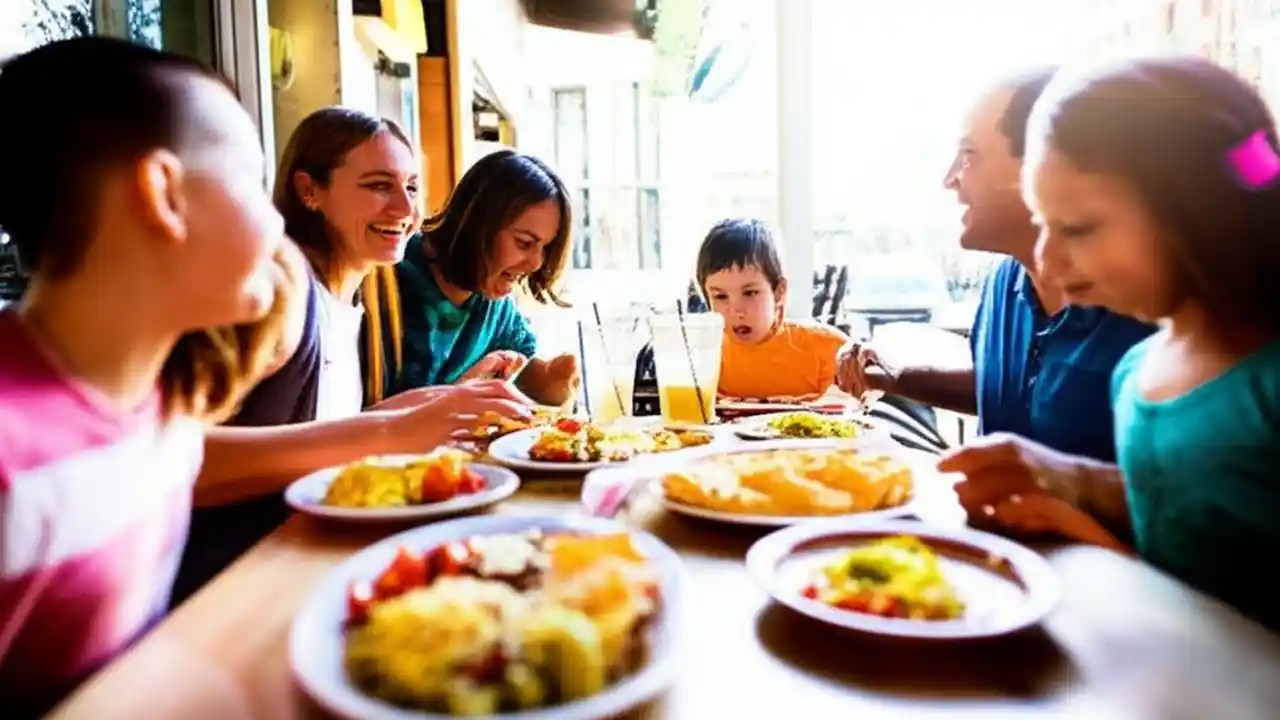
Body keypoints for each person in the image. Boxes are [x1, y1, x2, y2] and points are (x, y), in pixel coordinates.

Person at [0, 38, 291, 712]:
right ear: (163, 193)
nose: (277, 224)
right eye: (254, 181)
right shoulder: (13, 460)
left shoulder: (171, 402)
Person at [940, 57, 1280, 630]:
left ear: (1191, 206)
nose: (1046, 259)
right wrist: (1075, 486)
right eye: (1042, 224)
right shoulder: (1138, 369)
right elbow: (1196, 515)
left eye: (1077, 229)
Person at [172, 109, 533, 603]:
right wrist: (391, 432)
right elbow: (172, 461)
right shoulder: (281, 289)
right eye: (378, 185)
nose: (404, 208)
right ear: (309, 191)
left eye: (410, 187)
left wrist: (435, 404)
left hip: (302, 567)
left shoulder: (358, 298)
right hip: (227, 589)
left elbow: (325, 429)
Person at [837, 67, 1153, 462]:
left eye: (969, 155)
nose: (949, 179)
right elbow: (1013, 392)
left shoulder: (1145, 301)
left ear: (1041, 166)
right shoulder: (1003, 283)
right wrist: (881, 374)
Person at [365, 150, 580, 407]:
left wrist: (554, 379)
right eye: (524, 243)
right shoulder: (384, 280)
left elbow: (526, 371)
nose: (536, 263)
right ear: (478, 224)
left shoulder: (494, 301)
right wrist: (460, 393)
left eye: (545, 248)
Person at [695, 218, 848, 398]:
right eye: (720, 297)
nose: (736, 311)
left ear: (779, 292)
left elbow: (849, 417)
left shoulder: (830, 349)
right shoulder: (703, 356)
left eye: (750, 293)